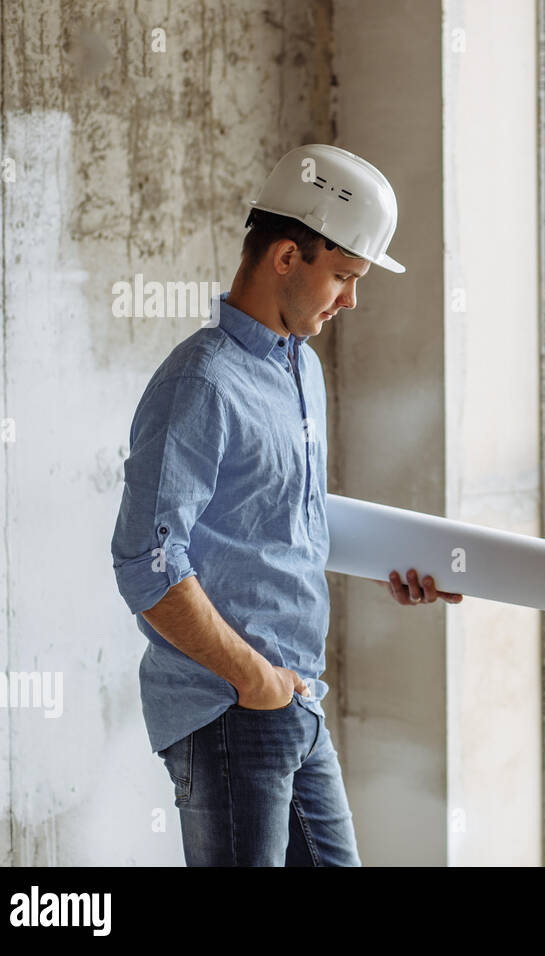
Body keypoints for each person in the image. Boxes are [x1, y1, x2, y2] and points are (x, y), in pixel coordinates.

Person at [110, 144, 461, 866]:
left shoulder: (299, 367)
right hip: (229, 710)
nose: (351, 300)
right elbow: (146, 566)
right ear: (285, 258)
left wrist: (399, 565)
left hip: (296, 699)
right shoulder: (200, 385)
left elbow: (284, 521)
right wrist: (254, 680)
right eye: (343, 276)